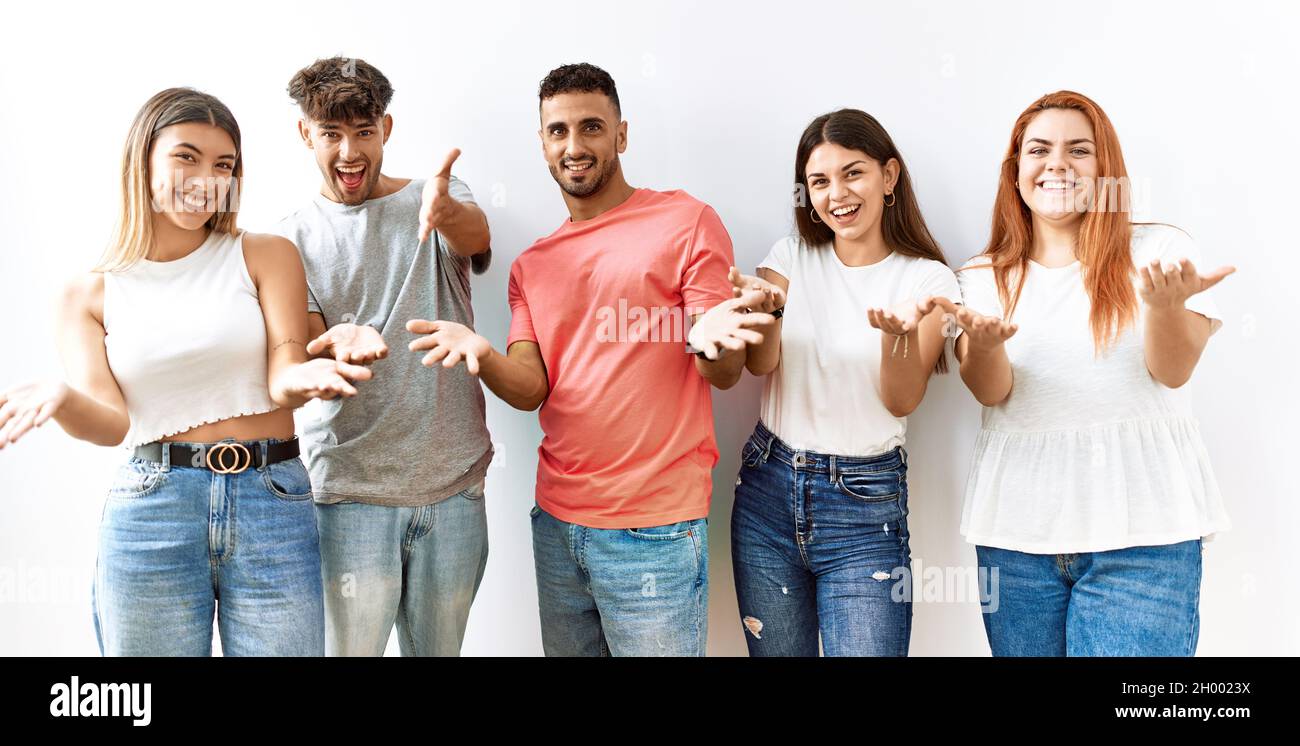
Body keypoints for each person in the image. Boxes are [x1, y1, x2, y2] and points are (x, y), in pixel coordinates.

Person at [411, 62, 772, 656]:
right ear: (543, 143)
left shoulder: (687, 222)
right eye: (558, 131)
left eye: (591, 127)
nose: (574, 146)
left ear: (621, 135)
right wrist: (483, 353)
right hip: (557, 525)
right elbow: (531, 388)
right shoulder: (533, 264)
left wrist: (715, 339)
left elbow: (724, 372)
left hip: (654, 528)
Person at [0, 87, 367, 655]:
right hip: (153, 508)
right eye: (186, 156)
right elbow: (111, 423)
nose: (207, 178)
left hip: (273, 498)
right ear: (142, 159)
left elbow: (282, 374)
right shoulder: (89, 293)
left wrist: (322, 365)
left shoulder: (266, 255)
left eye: (224, 164)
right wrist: (61, 398)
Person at [940, 90, 1233, 656]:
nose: (1057, 165)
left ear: (1107, 169)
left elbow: (1172, 373)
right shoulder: (981, 277)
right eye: (1039, 150)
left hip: (1145, 538)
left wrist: (1168, 307)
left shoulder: (1158, 250)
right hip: (1016, 541)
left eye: (1079, 150)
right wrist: (983, 345)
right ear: (1016, 169)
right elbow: (992, 391)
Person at [273, 57, 494, 657]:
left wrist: (447, 213)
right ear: (305, 134)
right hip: (349, 495)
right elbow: (308, 342)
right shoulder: (288, 238)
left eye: (363, 132)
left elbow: (475, 238)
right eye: (331, 133)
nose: (349, 150)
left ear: (386, 130)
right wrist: (334, 341)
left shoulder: (437, 199)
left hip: (451, 490)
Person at [728, 109, 958, 656]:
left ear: (890, 177)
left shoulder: (927, 279)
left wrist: (898, 337)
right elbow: (760, 366)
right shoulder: (789, 257)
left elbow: (902, 399)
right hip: (767, 487)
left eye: (853, 173)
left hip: (863, 504)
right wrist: (767, 310)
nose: (837, 194)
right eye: (820, 181)